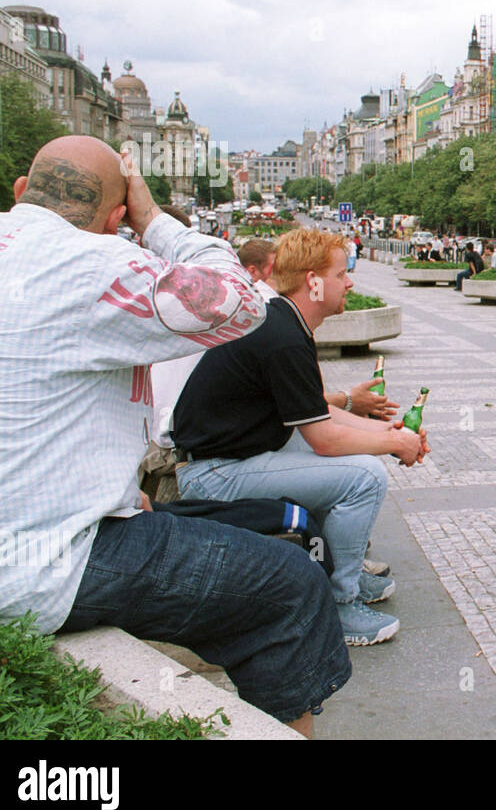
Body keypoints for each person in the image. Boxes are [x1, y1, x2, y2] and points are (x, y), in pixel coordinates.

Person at [0, 136, 347, 736]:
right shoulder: (93, 261)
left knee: (200, 537)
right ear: (117, 217)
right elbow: (242, 302)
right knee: (289, 580)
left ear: (21, 192)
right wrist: (156, 222)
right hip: (37, 565)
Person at [172, 228, 429, 645]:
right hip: (214, 473)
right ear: (312, 280)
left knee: (349, 464)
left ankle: (339, 576)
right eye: (341, 273)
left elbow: (318, 413)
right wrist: (395, 444)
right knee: (364, 476)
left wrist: (394, 431)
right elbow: (325, 439)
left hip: (233, 456)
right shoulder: (283, 335)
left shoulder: (282, 320)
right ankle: (339, 606)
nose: (349, 282)